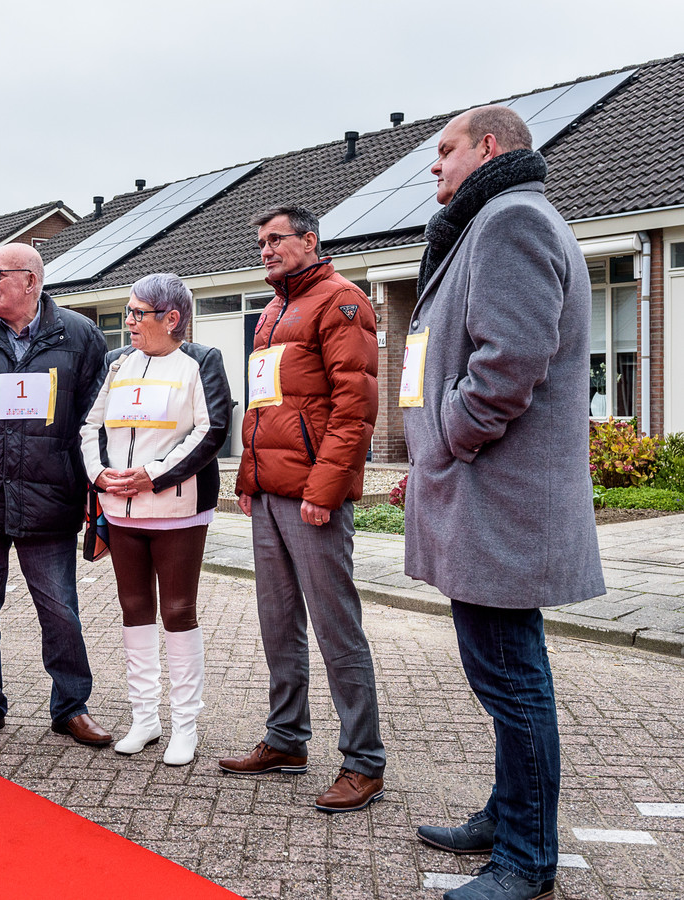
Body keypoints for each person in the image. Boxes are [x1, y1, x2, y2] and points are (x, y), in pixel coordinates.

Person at [404, 105, 604, 900]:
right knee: (502, 672)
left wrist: (447, 435)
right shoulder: (499, 219)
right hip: (483, 495)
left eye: (445, 150)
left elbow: (507, 365)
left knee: (511, 678)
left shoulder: (510, 220)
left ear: (488, 147)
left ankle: (525, 858)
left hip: (497, 499)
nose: (434, 166)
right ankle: (504, 812)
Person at [221, 205, 386, 814]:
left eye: (276, 239)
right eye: (259, 241)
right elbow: (265, 407)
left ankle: (363, 760)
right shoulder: (270, 312)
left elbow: (355, 407)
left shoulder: (342, 302)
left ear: (310, 240)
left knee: (335, 625)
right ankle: (287, 739)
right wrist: (248, 474)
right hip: (269, 494)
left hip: (312, 498)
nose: (266, 249)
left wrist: (325, 489)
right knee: (277, 622)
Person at [0, 242, 111, 748]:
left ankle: (71, 707)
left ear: (31, 281)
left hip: (51, 502)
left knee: (60, 611)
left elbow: (95, 422)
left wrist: (90, 487)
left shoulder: (80, 336)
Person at [80, 273, 230, 765]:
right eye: (127, 312)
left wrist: (152, 475)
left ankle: (185, 724)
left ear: (172, 318)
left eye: (137, 313)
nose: (128, 323)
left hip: (177, 508)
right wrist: (100, 475)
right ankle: (145, 718)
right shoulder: (115, 362)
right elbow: (90, 425)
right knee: (134, 608)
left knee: (179, 611)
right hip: (118, 508)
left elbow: (211, 432)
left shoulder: (202, 361)